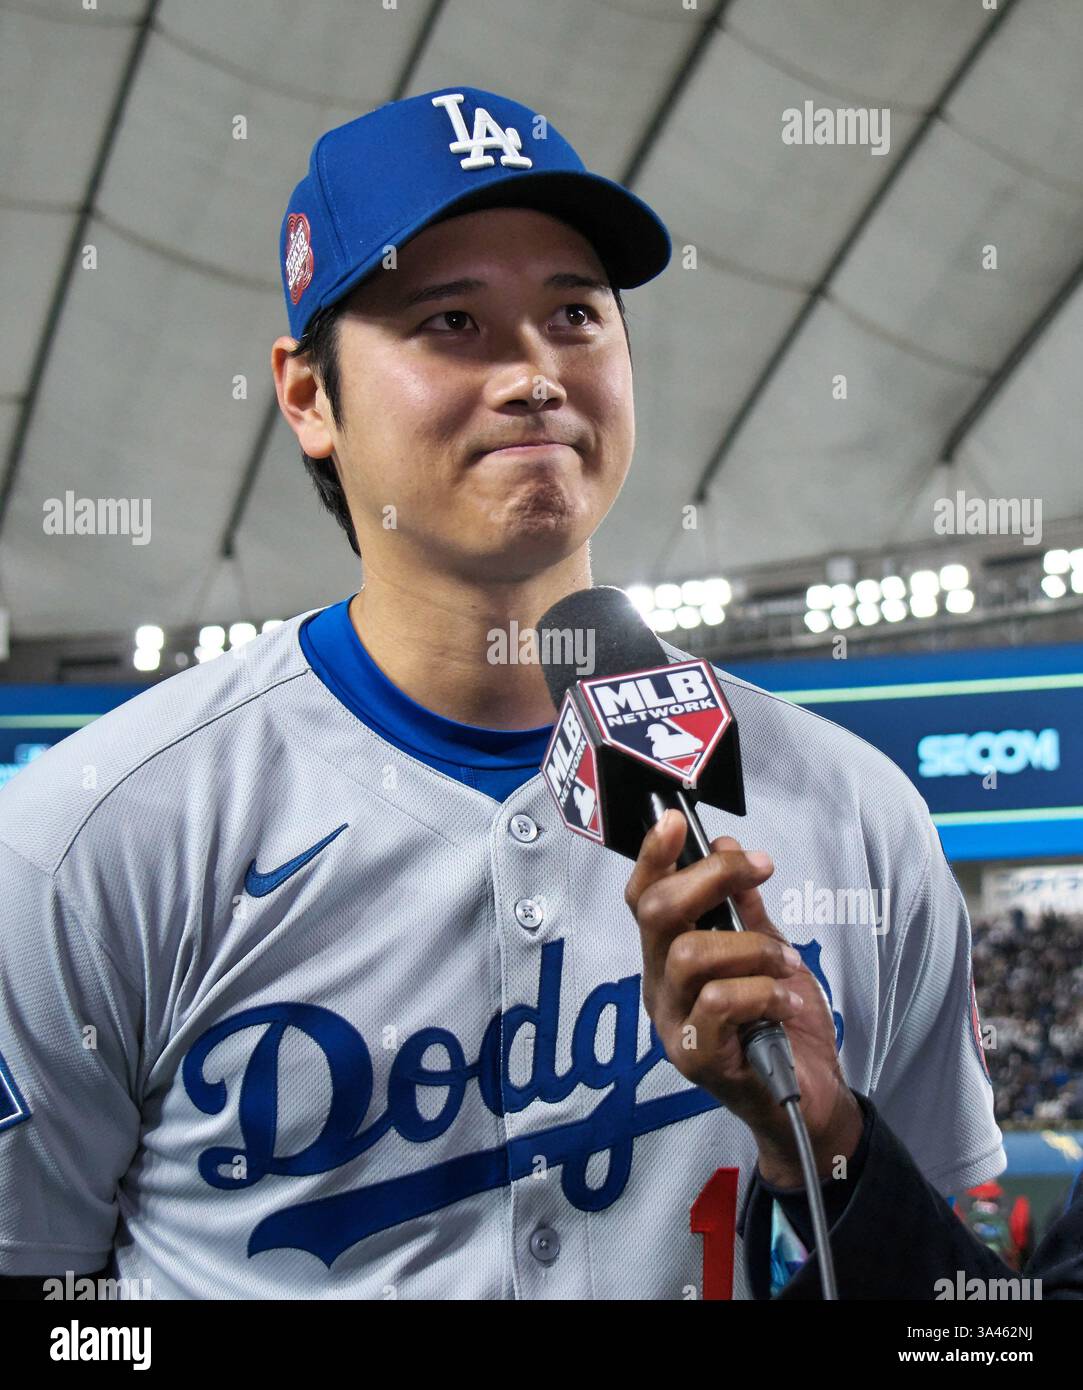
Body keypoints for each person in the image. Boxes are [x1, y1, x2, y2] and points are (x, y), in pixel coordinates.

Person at [0, 86, 1002, 1300]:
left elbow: (963, 1316)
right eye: (453, 321)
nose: (534, 374)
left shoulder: (850, 812)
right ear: (309, 395)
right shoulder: (97, 832)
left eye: (573, 314)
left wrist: (832, 1146)